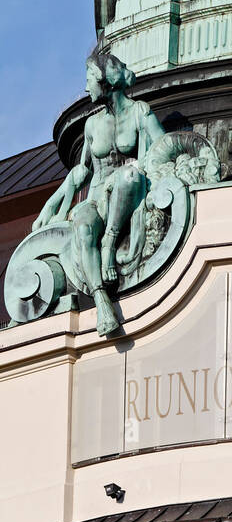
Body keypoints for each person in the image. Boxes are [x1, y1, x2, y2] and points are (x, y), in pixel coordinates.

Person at [33, 51, 166, 335]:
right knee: (82, 229)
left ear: (105, 81)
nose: (86, 87)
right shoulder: (91, 125)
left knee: (128, 176)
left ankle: (110, 242)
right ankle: (101, 300)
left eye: (90, 79)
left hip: (126, 193)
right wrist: (52, 205)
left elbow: (163, 150)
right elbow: (81, 173)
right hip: (97, 198)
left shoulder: (140, 112)